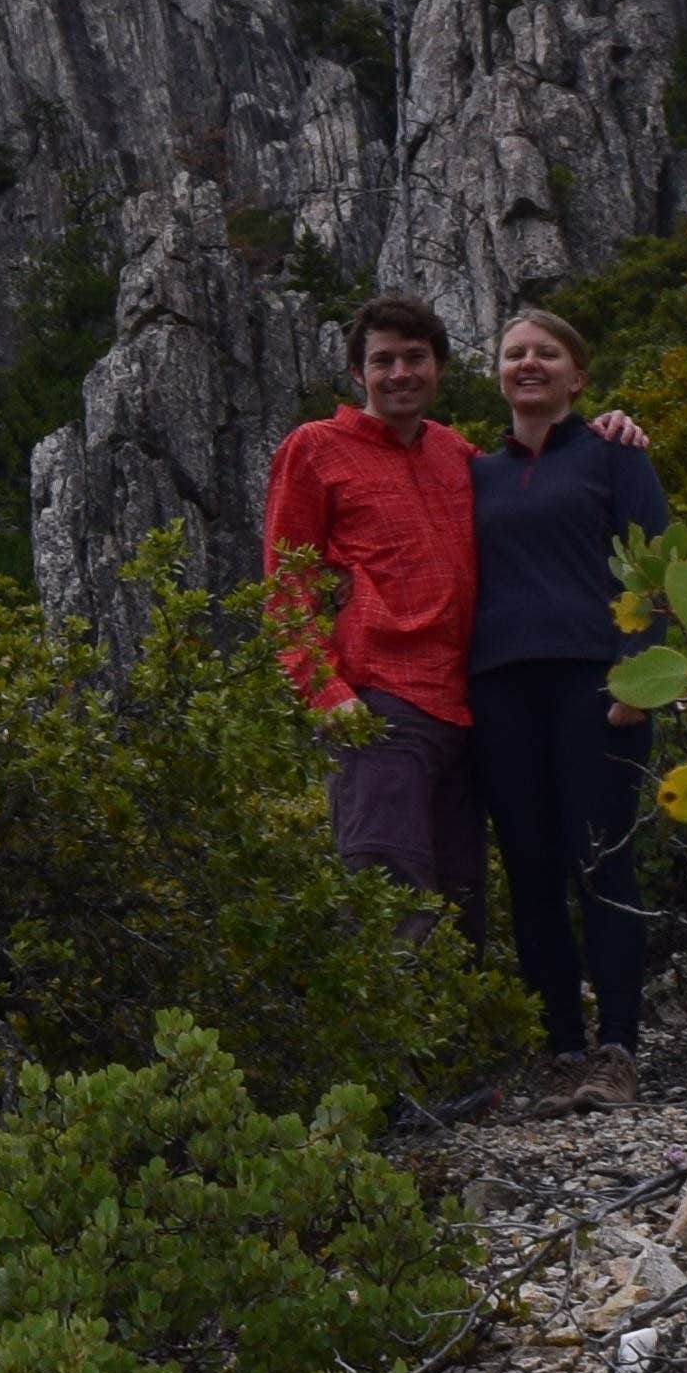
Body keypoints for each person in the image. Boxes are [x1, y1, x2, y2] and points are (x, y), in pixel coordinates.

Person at [465, 302, 669, 1084]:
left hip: (597, 683)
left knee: (603, 860)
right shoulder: (474, 472)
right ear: (499, 375)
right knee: (530, 867)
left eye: (546, 353)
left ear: (577, 375)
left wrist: (640, 677)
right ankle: (559, 1048)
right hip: (500, 690)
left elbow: (652, 568)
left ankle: (618, 1047)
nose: (528, 363)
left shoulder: (617, 456)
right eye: (515, 353)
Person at [262, 294, 489, 936]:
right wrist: (325, 692)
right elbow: (286, 587)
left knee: (461, 897)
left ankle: (461, 1040)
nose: (400, 374)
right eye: (382, 361)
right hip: (378, 704)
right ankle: (385, 1040)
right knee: (389, 896)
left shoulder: (457, 453)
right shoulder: (314, 449)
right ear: (358, 374)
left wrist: (606, 431)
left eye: (415, 358)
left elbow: (537, 479)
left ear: (439, 366)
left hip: (466, 707)